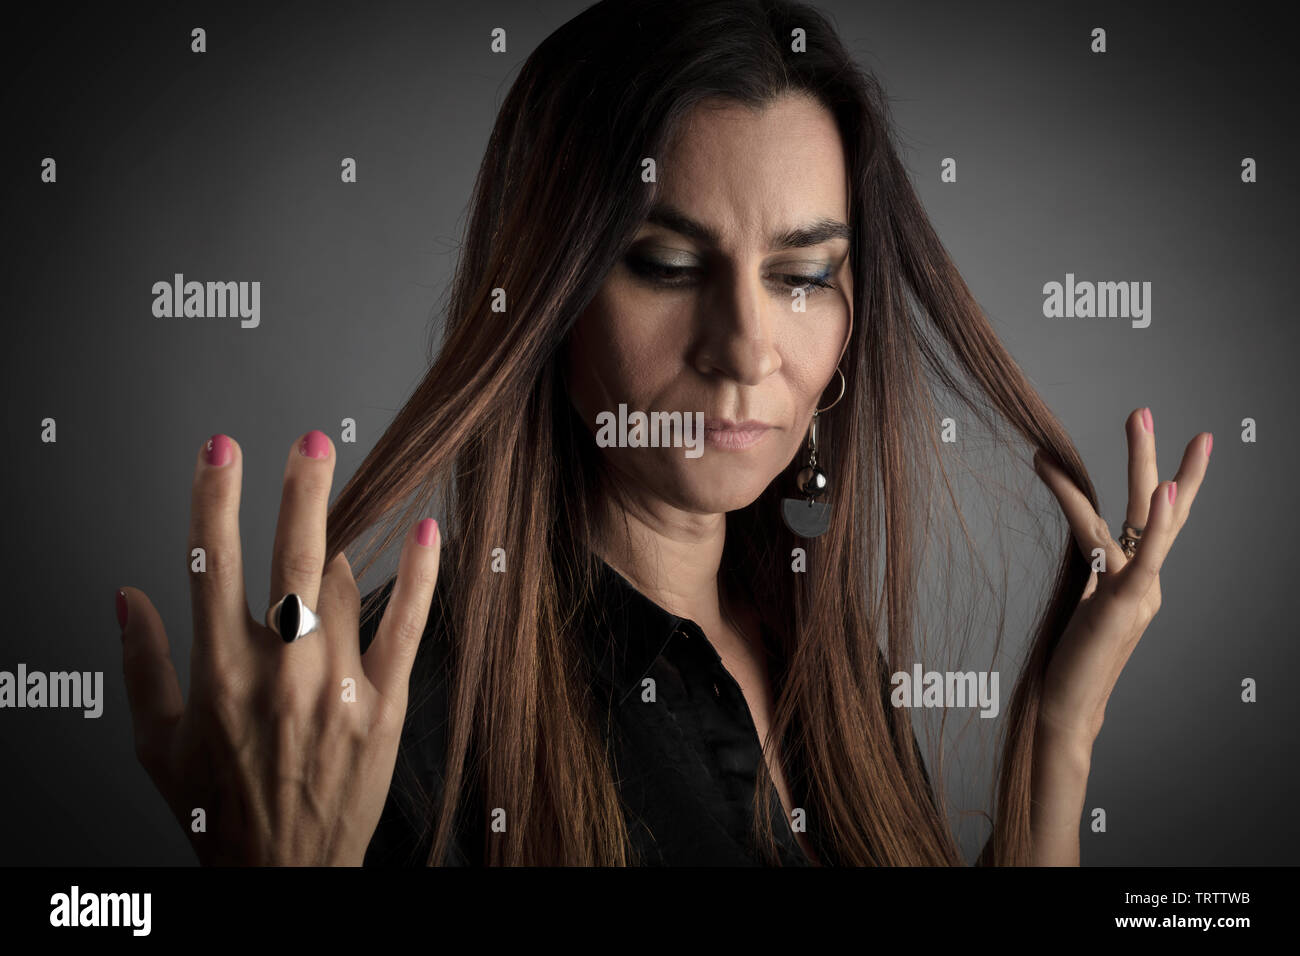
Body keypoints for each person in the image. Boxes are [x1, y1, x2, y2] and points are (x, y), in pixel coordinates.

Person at [114, 0, 1210, 866]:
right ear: (546, 297)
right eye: (668, 264)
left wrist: (1060, 734)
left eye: (802, 275)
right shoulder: (394, 716)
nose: (744, 345)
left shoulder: (822, 657)